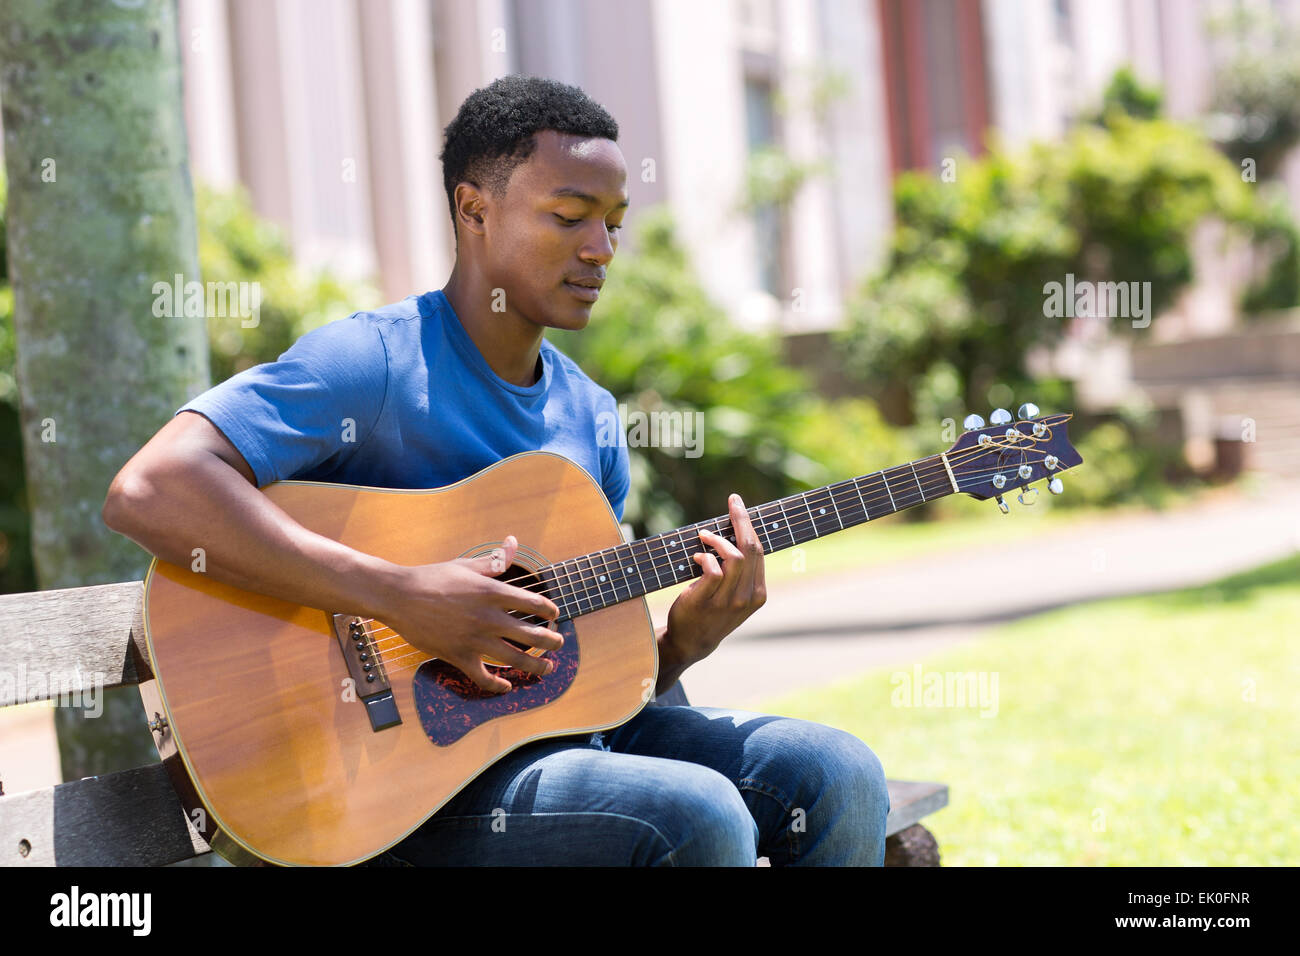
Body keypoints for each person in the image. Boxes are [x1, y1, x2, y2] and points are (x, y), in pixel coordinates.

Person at [103, 74, 889, 866]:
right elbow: (151, 488)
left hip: (547, 752)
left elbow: (589, 681)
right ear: (475, 210)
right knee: (697, 816)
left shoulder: (590, 415)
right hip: (389, 787)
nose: (602, 250)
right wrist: (397, 595)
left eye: (614, 224)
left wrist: (682, 641)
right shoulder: (373, 362)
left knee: (836, 772)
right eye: (571, 217)